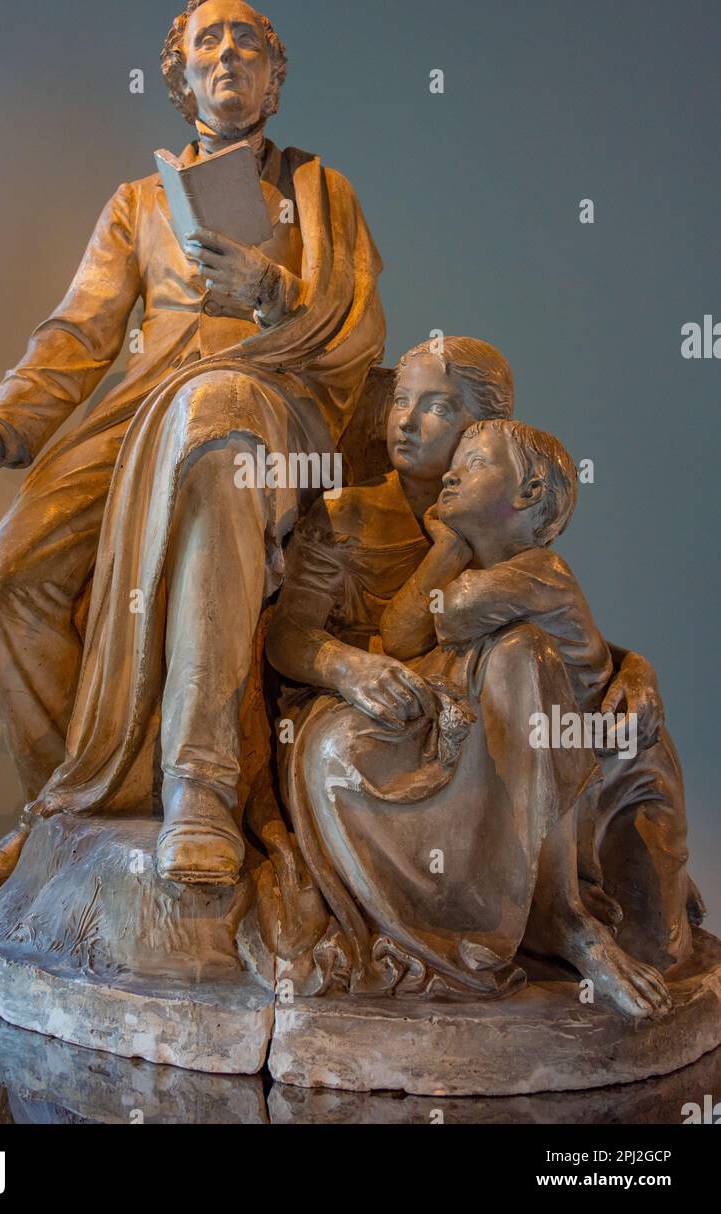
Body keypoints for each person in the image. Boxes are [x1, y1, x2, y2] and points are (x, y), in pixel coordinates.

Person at [0, 0, 385, 888]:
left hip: (271, 402)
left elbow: (355, 330)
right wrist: (0, 429)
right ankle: (62, 818)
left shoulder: (319, 190)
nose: (226, 54)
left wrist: (270, 290)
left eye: (246, 42)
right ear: (182, 81)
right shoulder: (139, 203)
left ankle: (200, 790)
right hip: (140, 409)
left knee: (217, 426)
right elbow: (77, 334)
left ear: (273, 79)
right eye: (206, 44)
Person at [266, 338, 696, 1013]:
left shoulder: (492, 510)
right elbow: (288, 638)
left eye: (436, 407)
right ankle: (483, 917)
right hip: (358, 699)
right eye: (401, 400)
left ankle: (560, 912)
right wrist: (348, 667)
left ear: (480, 430)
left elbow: (566, 632)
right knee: (336, 754)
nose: (405, 421)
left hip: (473, 693)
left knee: (532, 661)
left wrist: (633, 671)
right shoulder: (344, 511)